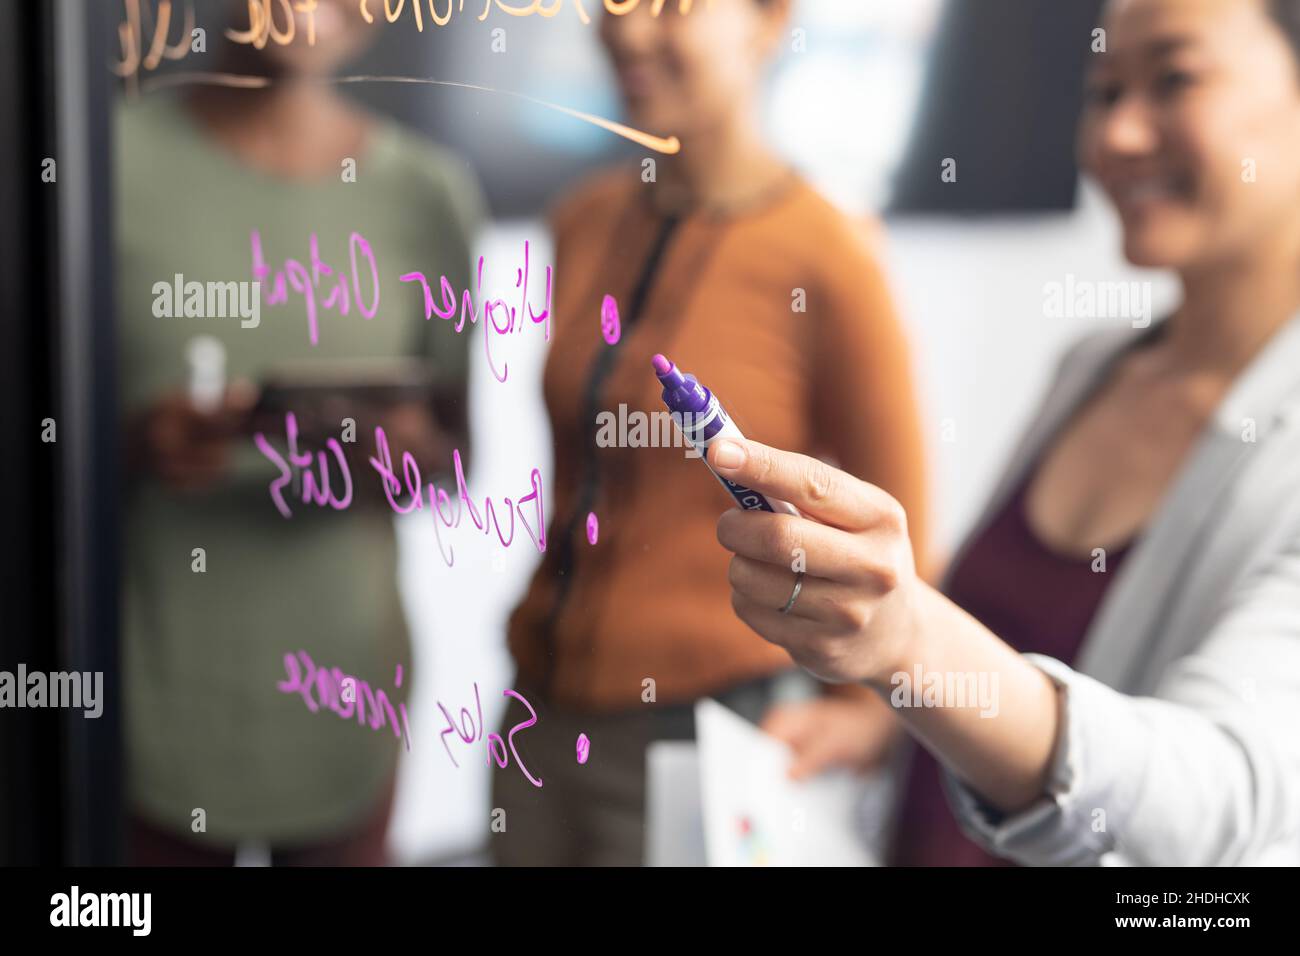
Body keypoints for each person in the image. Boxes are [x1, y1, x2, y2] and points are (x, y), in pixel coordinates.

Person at [714, 0, 1300, 866]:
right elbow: (1003, 636)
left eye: (1174, 77)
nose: (1118, 136)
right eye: (1102, 92)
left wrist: (908, 641)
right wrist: (887, 718)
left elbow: (1222, 795)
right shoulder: (1091, 366)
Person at [493, 0, 930, 866]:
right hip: (537, 720)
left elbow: (909, 537)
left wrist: (870, 716)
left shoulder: (830, 255)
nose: (625, 29)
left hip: (710, 736)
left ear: (770, 20)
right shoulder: (581, 220)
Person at [117, 0, 482, 864]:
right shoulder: (98, 163)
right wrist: (131, 445)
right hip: (142, 699)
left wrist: (399, 454)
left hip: (344, 704)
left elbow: (456, 457)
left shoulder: (426, 194)